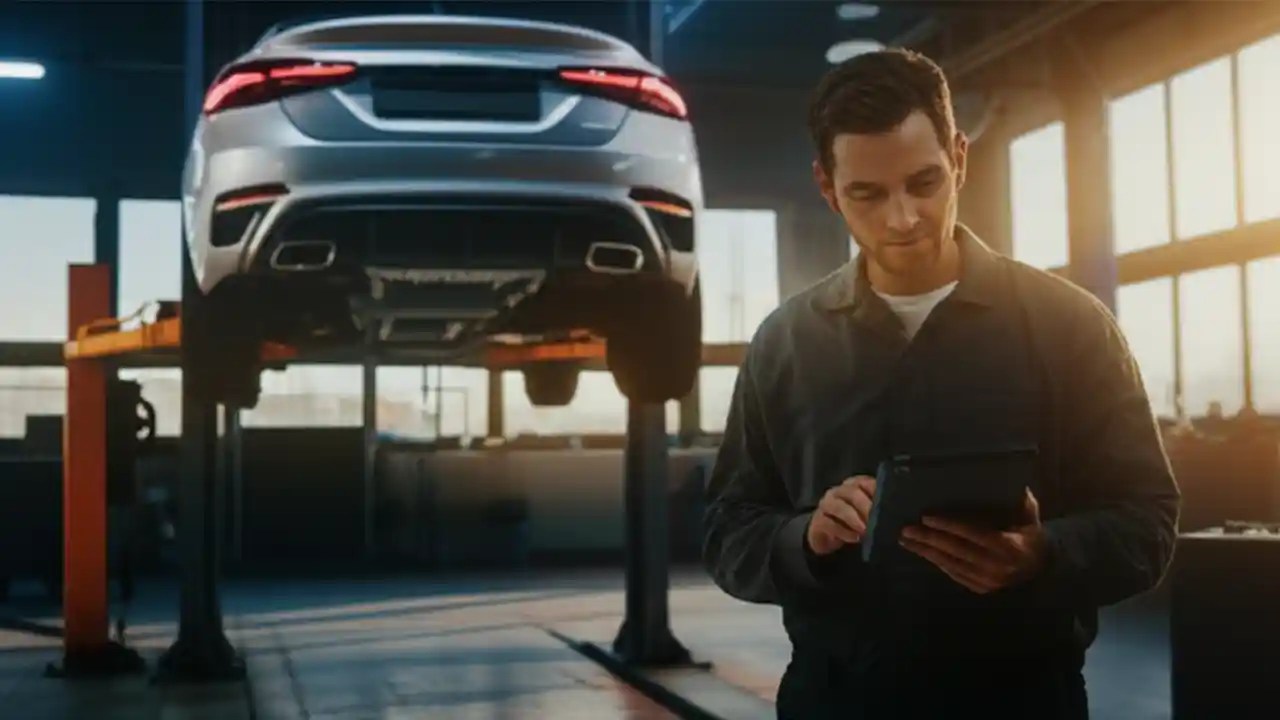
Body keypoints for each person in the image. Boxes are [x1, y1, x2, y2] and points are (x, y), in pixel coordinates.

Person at [701, 48, 1180, 719]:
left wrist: (1043, 554)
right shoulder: (784, 343)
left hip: (1021, 701)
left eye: (924, 183)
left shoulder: (1071, 327)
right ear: (826, 186)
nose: (902, 218)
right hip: (834, 701)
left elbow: (1148, 523)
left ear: (959, 157)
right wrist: (804, 538)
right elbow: (728, 530)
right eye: (868, 193)